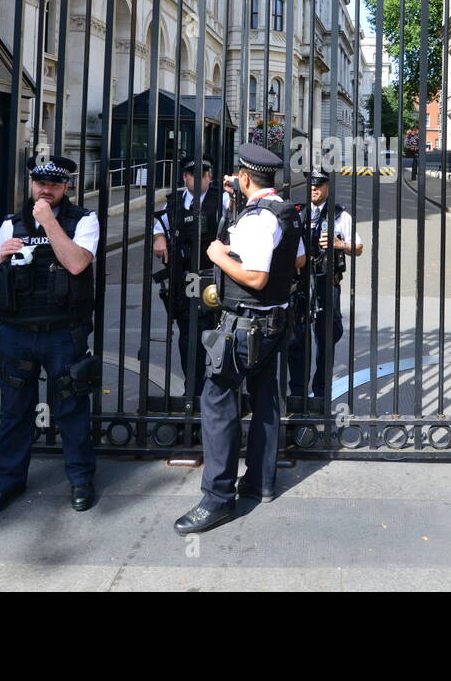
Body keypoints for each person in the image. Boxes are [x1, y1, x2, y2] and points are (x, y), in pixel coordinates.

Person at [173, 143, 305, 535]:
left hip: (243, 327)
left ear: (246, 178)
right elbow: (295, 261)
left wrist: (218, 255)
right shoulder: (286, 212)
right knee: (266, 400)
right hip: (274, 324)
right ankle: (260, 481)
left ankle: (216, 499)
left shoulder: (257, 219)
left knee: (216, 404)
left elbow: (256, 278)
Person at [0, 153, 100, 516]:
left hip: (63, 331)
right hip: (17, 331)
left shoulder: (83, 220)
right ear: (31, 184)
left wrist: (48, 223)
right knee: (15, 411)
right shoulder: (12, 222)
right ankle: (8, 481)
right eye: (40, 184)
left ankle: (80, 480)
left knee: (71, 408)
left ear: (66, 187)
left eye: (53, 185)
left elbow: (77, 262)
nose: (45, 191)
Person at [288, 168, 362, 408]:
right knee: (298, 338)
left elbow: (358, 248)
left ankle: (320, 392)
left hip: (326, 281)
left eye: (319, 185)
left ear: (328, 187)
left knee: (326, 337)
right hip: (300, 282)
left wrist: (340, 244)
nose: (314, 189)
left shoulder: (340, 216)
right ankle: (297, 393)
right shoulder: (298, 213)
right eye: (311, 184)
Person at [152, 156, 223, 403]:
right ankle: (192, 393)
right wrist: (159, 237)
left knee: (217, 339)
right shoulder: (174, 204)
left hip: (216, 280)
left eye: (204, 174)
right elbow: (159, 226)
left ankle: (215, 393)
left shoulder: (222, 200)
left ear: (209, 177)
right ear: (185, 178)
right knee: (188, 340)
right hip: (185, 283)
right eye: (193, 174)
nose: (199, 178)